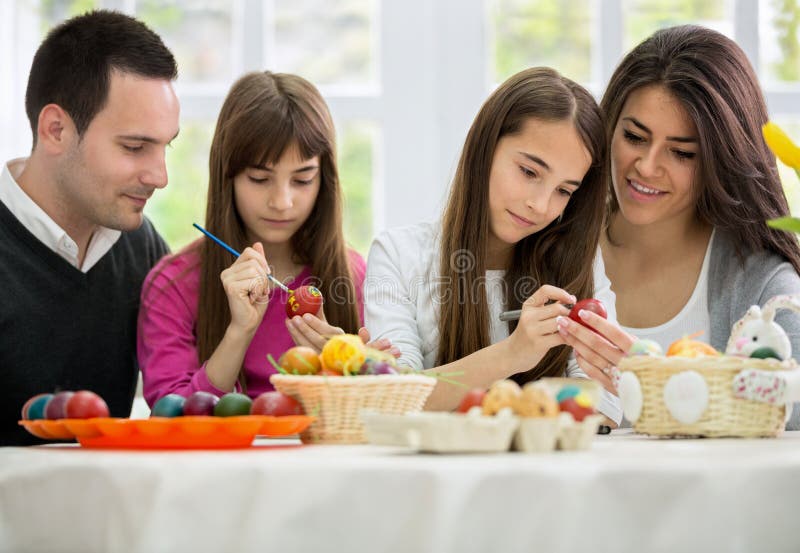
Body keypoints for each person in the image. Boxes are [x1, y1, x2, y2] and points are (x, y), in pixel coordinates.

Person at [557, 25, 800, 429]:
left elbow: (791, 431)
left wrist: (659, 387)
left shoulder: (761, 285)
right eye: (634, 136)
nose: (648, 166)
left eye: (682, 153)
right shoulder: (549, 234)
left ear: (723, 159)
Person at [364, 67, 622, 424]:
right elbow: (393, 397)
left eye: (564, 190)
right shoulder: (398, 255)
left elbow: (604, 403)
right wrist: (511, 355)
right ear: (485, 148)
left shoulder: (578, 261)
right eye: (530, 172)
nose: (542, 205)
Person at [138, 71, 393, 406]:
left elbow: (382, 410)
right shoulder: (173, 284)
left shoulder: (354, 275)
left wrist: (347, 368)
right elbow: (171, 415)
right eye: (259, 178)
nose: (282, 201)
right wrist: (238, 333)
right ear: (227, 176)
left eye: (302, 179)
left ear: (324, 179)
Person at [0, 10, 178, 445]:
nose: (160, 176)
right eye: (135, 147)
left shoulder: (144, 248)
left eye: (165, 147)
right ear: (56, 130)